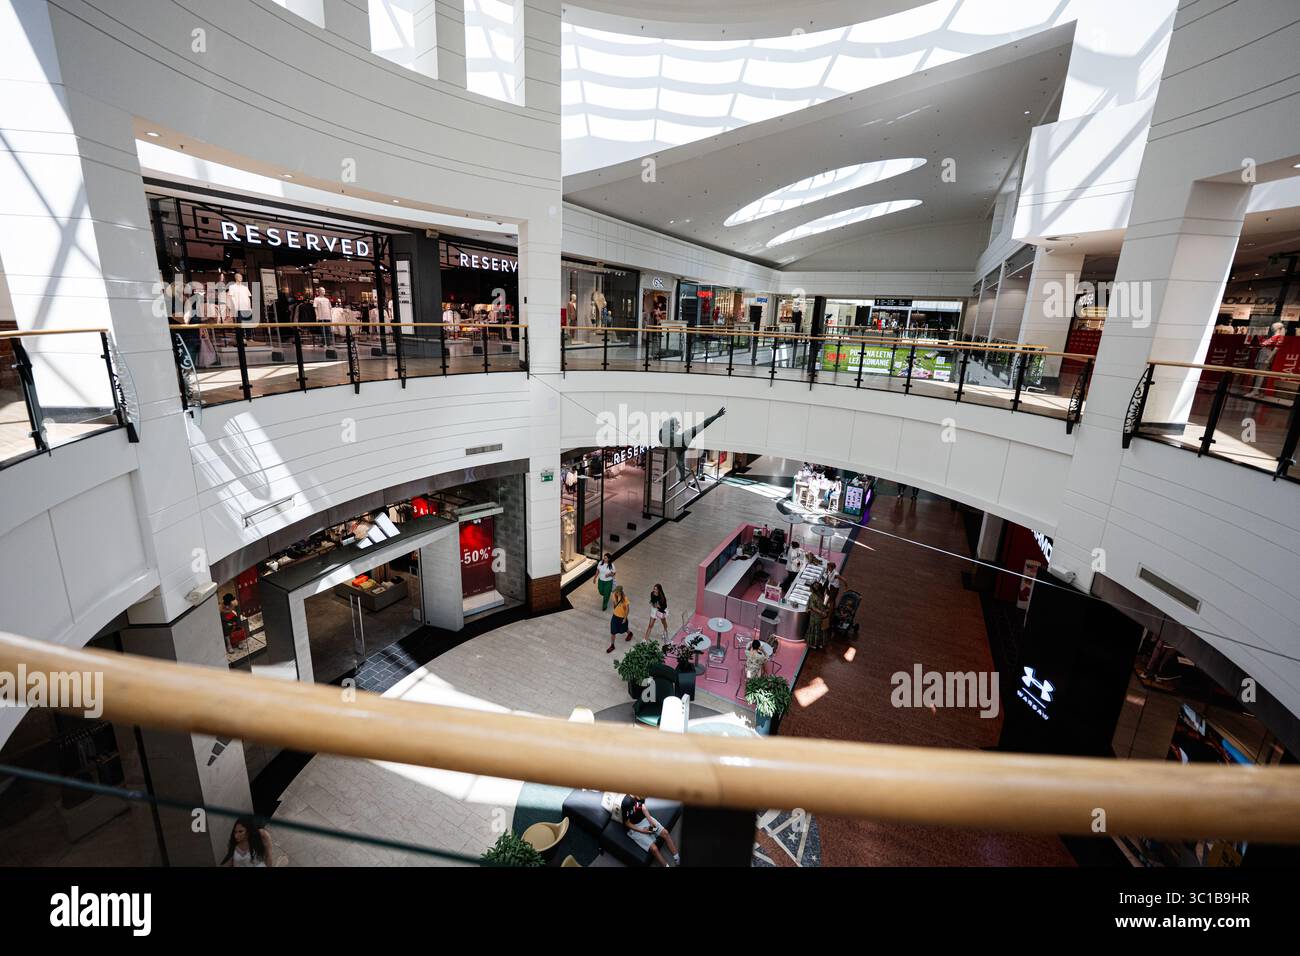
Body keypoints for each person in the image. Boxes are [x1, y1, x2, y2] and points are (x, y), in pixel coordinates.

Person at [620, 794, 679, 866]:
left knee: (665, 833)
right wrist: (643, 831)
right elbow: (627, 823)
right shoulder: (626, 803)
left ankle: (677, 858)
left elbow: (643, 806)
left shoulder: (640, 795)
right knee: (654, 849)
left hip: (645, 820)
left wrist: (650, 821)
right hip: (635, 828)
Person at [805, 581, 829, 650]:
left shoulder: (814, 595)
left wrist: (822, 612)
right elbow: (814, 607)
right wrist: (822, 612)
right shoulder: (817, 595)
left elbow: (813, 607)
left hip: (816, 616)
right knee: (819, 630)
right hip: (818, 616)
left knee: (815, 629)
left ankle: (814, 644)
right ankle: (818, 644)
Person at [607, 585, 631, 653]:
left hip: (622, 617)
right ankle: (612, 645)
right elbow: (614, 603)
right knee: (613, 632)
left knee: (624, 629)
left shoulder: (625, 599)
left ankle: (630, 633)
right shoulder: (614, 595)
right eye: (616, 592)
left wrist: (625, 618)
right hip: (615, 616)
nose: (616, 593)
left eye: (617, 592)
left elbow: (627, 609)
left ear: (620, 592)